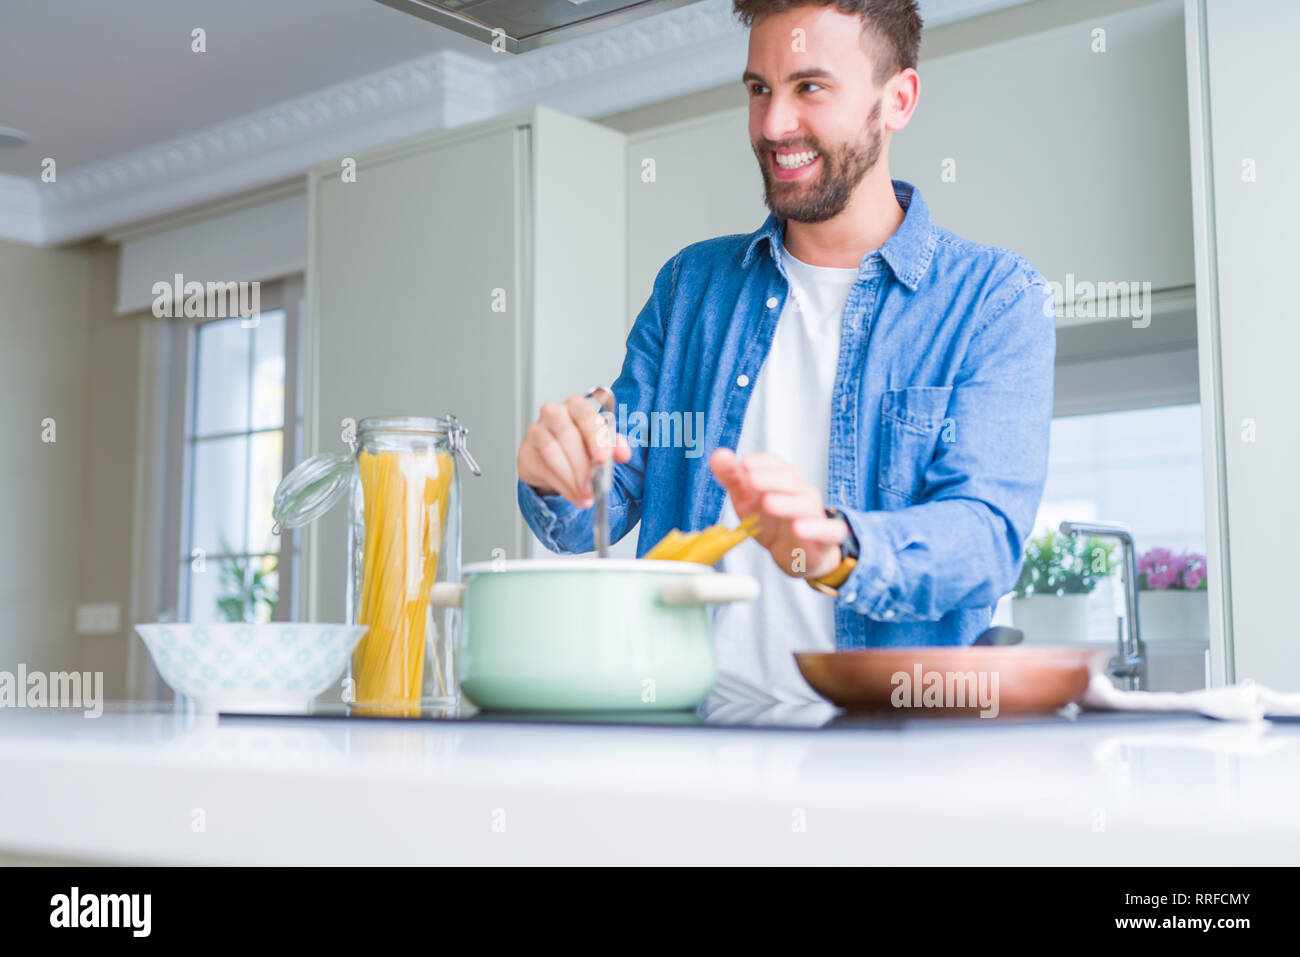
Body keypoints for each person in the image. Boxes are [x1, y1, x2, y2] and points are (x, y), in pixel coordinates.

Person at [515, 0, 1055, 703]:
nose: (773, 125)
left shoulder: (995, 299)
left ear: (898, 99)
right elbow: (606, 500)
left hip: (887, 751)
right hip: (686, 734)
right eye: (759, 89)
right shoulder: (690, 287)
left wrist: (836, 545)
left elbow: (984, 539)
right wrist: (558, 472)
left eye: (810, 87)